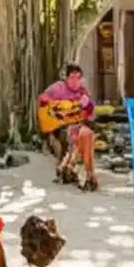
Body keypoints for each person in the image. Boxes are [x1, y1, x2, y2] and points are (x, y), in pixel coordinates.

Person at [38, 63, 98, 191]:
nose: (75, 81)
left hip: (78, 126)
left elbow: (91, 114)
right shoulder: (57, 88)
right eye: (72, 77)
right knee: (85, 135)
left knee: (86, 134)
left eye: (78, 77)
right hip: (60, 126)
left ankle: (69, 166)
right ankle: (89, 176)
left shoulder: (83, 92)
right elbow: (42, 100)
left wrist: (87, 105)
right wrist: (60, 107)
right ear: (66, 78)